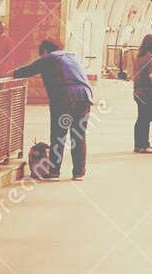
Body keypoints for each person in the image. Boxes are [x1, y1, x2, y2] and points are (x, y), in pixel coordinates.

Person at [12, 38, 95, 180]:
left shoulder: (49, 58)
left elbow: (27, 70)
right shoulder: (72, 57)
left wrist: (8, 74)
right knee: (79, 136)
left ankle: (54, 172)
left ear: (45, 51)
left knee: (59, 135)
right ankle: (79, 173)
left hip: (65, 99)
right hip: (84, 97)